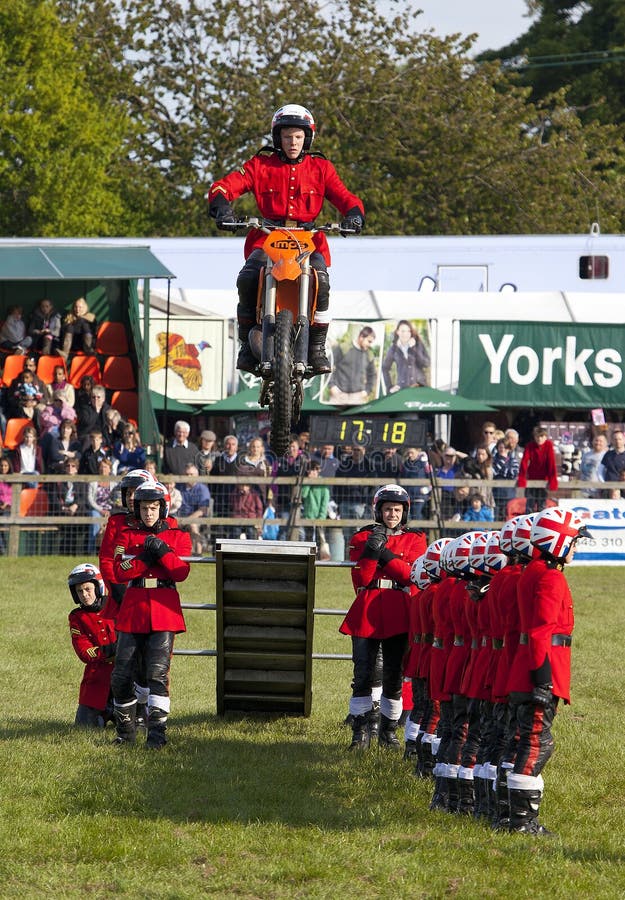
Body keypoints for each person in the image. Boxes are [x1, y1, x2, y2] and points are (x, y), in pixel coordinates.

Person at [208, 103, 364, 375]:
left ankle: (316, 347)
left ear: (308, 139)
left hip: (308, 238)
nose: (293, 142)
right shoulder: (260, 164)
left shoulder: (321, 168)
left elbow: (346, 197)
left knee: (322, 281)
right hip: (268, 237)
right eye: (287, 136)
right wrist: (222, 206)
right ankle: (247, 344)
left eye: (298, 137)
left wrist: (354, 215)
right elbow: (225, 185)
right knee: (247, 278)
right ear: (277, 138)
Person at [505, 508, 591, 834]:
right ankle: (521, 822)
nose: (575, 549)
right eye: (572, 542)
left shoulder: (535, 571)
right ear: (555, 543)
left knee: (531, 740)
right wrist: (542, 679)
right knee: (535, 743)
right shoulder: (550, 576)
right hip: (539, 671)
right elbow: (541, 631)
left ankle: (514, 815)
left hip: (529, 668)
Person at [340, 484, 427, 751]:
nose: (392, 514)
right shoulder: (362, 537)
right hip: (368, 607)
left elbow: (408, 575)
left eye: (397, 510)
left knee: (394, 674)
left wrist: (383, 553)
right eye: (388, 509)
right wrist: (370, 553)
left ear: (405, 512)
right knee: (363, 672)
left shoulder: (416, 538)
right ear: (378, 510)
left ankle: (388, 732)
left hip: (399, 609)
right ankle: (360, 732)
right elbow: (363, 579)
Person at [110, 480, 191, 748]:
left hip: (164, 608)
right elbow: (120, 572)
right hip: (133, 607)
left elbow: (180, 572)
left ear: (162, 508)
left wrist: (162, 551)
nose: (148, 513)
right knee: (121, 674)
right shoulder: (126, 535)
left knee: (157, 673)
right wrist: (146, 558)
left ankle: (157, 735)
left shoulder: (178, 536)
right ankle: (126, 733)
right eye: (144, 508)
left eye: (153, 508)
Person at [67, 563, 117, 727]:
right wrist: (112, 650)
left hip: (125, 674)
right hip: (97, 678)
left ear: (98, 587)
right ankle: (106, 712)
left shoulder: (116, 605)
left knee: (138, 725)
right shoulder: (76, 618)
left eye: (88, 589)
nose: (84, 595)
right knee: (83, 727)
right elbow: (84, 652)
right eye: (79, 591)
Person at [327, 326, 377, 405]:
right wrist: (332, 386)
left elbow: (372, 375)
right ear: (361, 337)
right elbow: (328, 364)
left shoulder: (369, 355)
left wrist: (367, 391)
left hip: (358, 397)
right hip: (339, 395)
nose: (370, 345)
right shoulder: (343, 348)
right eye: (369, 341)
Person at [51, 456, 89, 555]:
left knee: (75, 522)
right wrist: (63, 507)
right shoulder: (59, 481)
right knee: (67, 523)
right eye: (68, 466)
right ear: (64, 468)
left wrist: (75, 505)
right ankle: (66, 553)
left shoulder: (81, 481)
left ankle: (70, 553)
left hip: (77, 509)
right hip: (62, 509)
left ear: (77, 468)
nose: (70, 468)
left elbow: (83, 497)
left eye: (73, 466)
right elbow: (54, 498)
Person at [517, 426, 558, 513]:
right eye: (537, 436)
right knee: (529, 506)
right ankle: (528, 525)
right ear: (534, 437)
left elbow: (551, 463)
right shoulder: (530, 446)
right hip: (531, 479)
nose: (539, 439)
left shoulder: (548, 445)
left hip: (543, 480)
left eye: (541, 436)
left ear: (545, 437)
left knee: (542, 505)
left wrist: (553, 479)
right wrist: (522, 477)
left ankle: (540, 524)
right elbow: (524, 462)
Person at [382, 319, 430, 392]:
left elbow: (426, 364)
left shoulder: (418, 344)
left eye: (408, 331)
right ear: (398, 332)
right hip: (402, 389)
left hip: (420, 387)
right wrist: (389, 387)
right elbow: (385, 368)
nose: (406, 334)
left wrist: (414, 349)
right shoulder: (393, 349)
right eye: (403, 331)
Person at [178, 463, 212, 555]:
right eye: (187, 474)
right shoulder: (179, 487)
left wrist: (188, 519)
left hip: (197, 518)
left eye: (191, 474)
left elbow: (203, 510)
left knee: (193, 525)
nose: (189, 476)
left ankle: (198, 553)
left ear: (197, 475)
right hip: (180, 516)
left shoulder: (202, 488)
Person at [86, 457, 116, 554]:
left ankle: (110, 552)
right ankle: (91, 552)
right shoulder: (93, 483)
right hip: (97, 509)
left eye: (106, 467)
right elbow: (90, 499)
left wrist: (110, 511)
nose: (103, 469)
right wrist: (100, 510)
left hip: (111, 510)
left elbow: (115, 500)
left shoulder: (114, 484)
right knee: (95, 521)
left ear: (110, 469)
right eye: (102, 467)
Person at [492, 437, 520, 520]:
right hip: (496, 494)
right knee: (496, 519)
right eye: (500, 447)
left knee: (508, 518)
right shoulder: (493, 460)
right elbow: (493, 472)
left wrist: (501, 471)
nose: (502, 449)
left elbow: (514, 473)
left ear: (509, 448)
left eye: (505, 447)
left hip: (509, 495)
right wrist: (503, 460)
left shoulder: (513, 460)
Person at [578, 432, 607, 498]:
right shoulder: (586, 455)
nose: (598, 443)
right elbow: (581, 470)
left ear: (605, 444)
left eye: (601, 441)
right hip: (584, 490)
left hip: (599, 491)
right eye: (596, 440)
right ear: (593, 441)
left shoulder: (606, 456)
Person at [601, 429, 625, 499]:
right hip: (610, 489)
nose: (617, 441)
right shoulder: (608, 454)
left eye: (620, 439)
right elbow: (600, 470)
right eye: (615, 439)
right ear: (612, 441)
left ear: (624, 440)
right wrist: (603, 483)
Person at [0, 455, 13, 555]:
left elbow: (15, 496)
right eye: (1, 465)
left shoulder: (13, 480)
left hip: (9, 509)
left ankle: (3, 550)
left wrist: (7, 503)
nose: (3, 467)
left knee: (3, 524)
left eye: (5, 465)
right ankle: (3, 551)